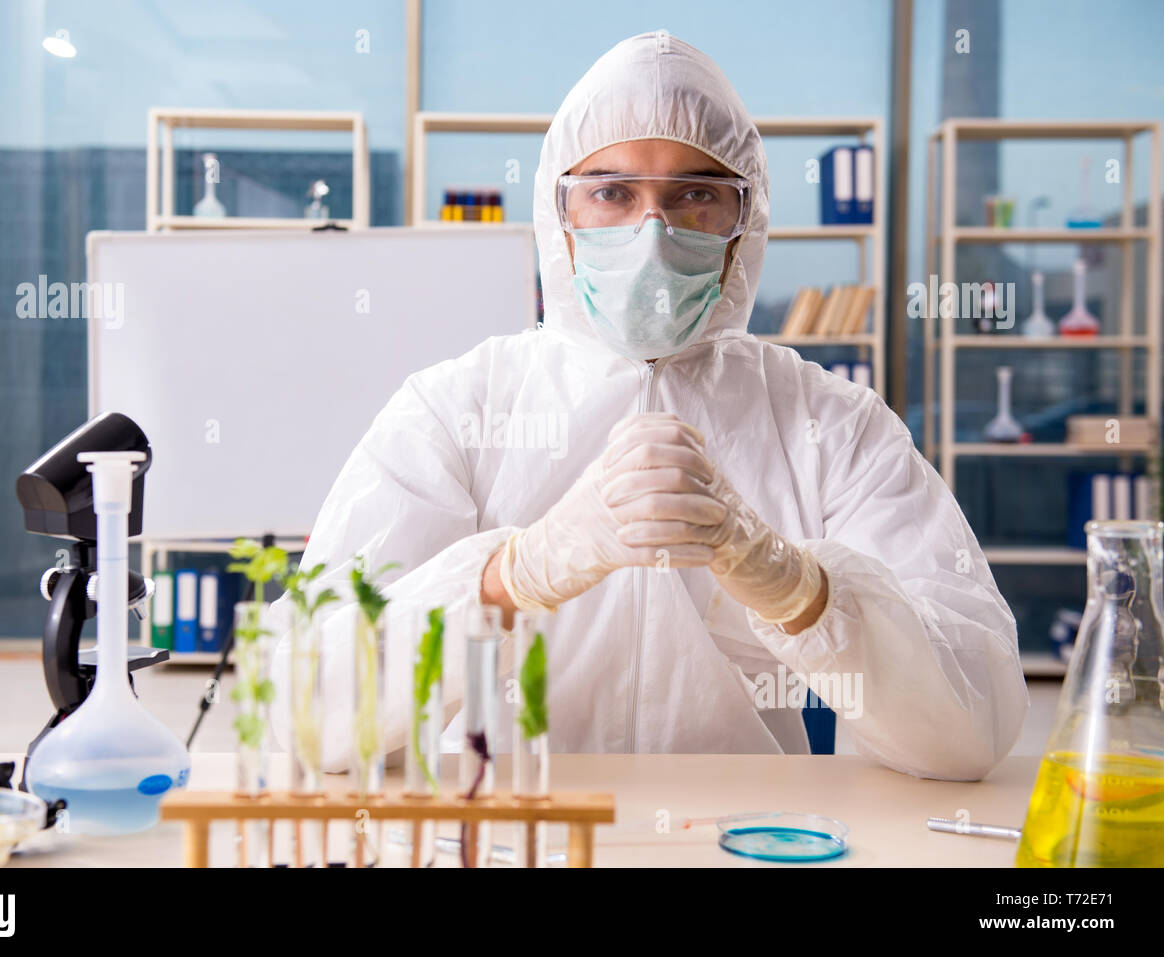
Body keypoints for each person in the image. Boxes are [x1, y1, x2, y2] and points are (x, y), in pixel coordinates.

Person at [270, 30, 1027, 781]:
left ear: (746, 219)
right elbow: (304, 711)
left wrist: (797, 587)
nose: (653, 232)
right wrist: (509, 576)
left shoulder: (832, 423)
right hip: (509, 836)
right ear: (557, 211)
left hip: (744, 839)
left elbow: (975, 725)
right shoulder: (455, 409)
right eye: (611, 192)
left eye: (696, 194)